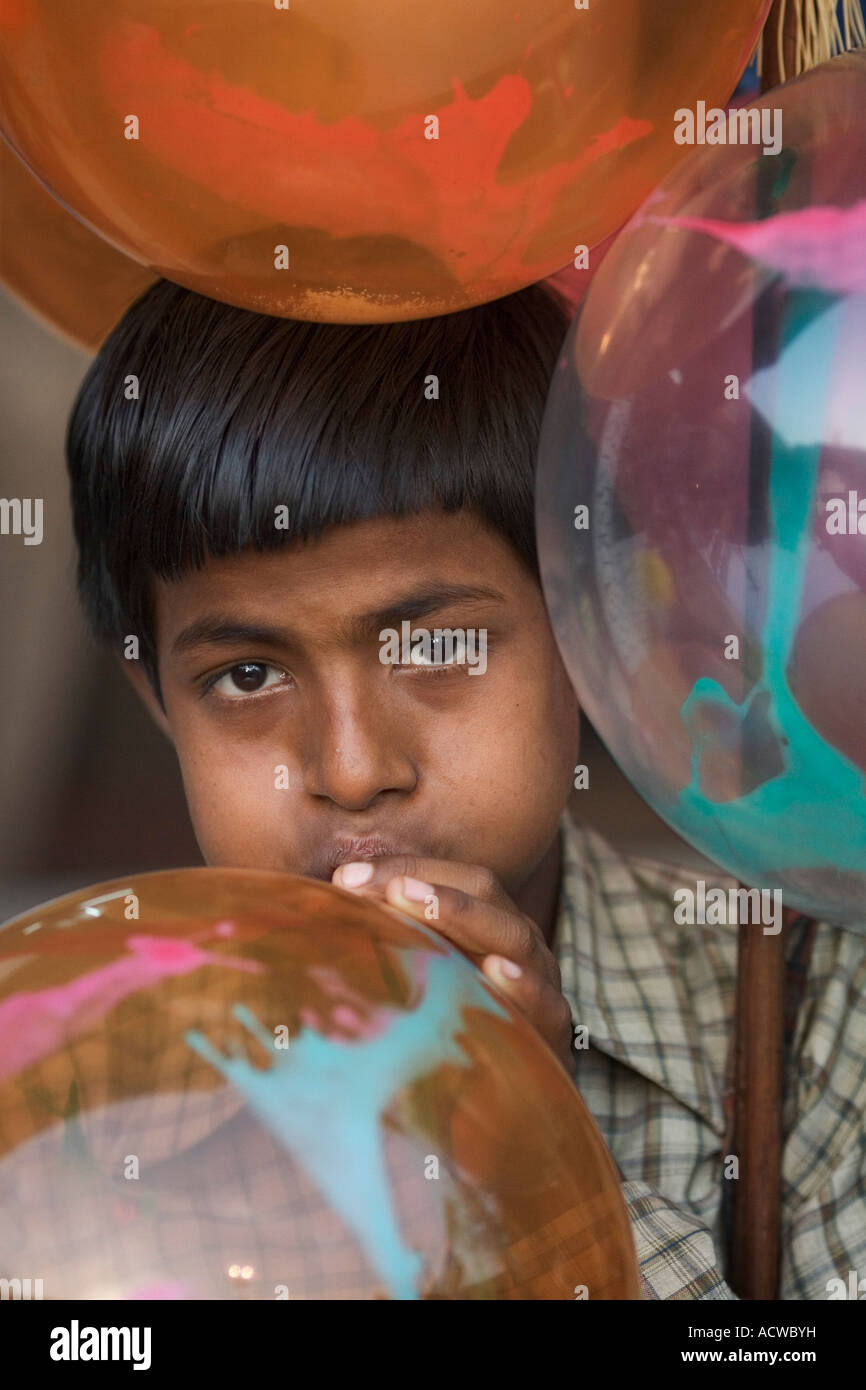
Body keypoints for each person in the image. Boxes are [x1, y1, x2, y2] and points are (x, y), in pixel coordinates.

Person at [65, 278, 866, 1301]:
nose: (352, 771)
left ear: (588, 620)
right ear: (156, 694)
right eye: (248, 675)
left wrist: (540, 1179)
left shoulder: (809, 1013)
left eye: (435, 645)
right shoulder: (70, 1105)